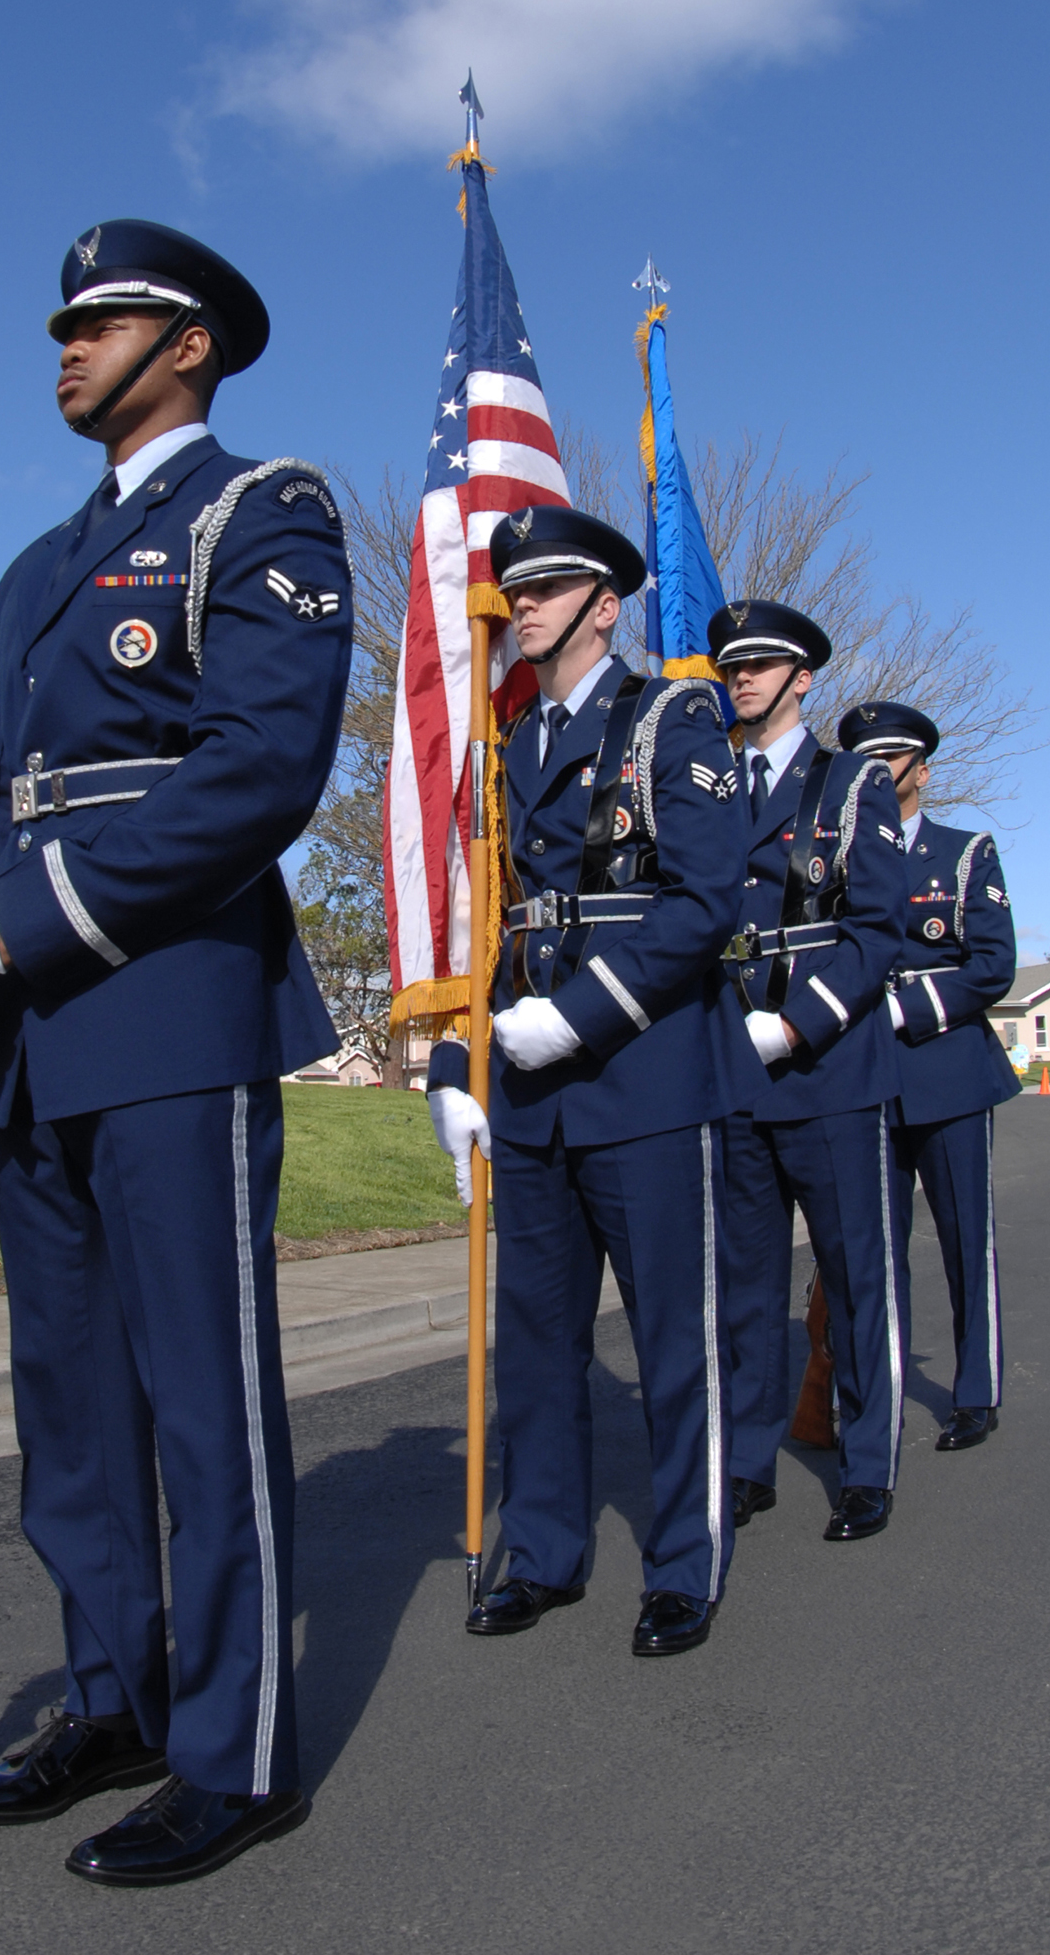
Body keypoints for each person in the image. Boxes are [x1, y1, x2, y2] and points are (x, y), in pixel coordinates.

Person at [0, 220, 352, 1887]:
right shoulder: (38, 566)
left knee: (197, 1395)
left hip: (166, 1002)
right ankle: (118, 1694)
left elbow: (255, 777)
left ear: (193, 346)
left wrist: (26, 923)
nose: (65, 347)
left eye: (101, 323)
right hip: (35, 1025)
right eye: (61, 326)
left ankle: (234, 1755)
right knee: (70, 1401)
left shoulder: (262, 511)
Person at [426, 506, 761, 1657]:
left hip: (646, 1079)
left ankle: (684, 1563)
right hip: (529, 1098)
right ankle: (547, 1551)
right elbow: (494, 920)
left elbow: (706, 905)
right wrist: (454, 1063)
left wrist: (573, 1022)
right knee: (535, 1341)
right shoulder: (510, 743)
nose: (521, 603)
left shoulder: (674, 719)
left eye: (548, 587)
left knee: (674, 1339)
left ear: (604, 605)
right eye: (515, 587)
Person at [706, 599, 910, 1543]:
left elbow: (878, 935)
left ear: (802, 679)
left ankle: (868, 1461)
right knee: (744, 1283)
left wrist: (795, 1027)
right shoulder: (706, 781)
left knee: (854, 1274)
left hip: (825, 1066)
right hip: (729, 1068)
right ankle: (748, 1459)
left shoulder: (850, 784)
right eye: (731, 664)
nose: (740, 676)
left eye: (760, 663)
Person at [838, 701, 1020, 1451]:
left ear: (922, 771)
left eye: (892, 760)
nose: (879, 773)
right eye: (866, 762)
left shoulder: (965, 851)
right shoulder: (838, 857)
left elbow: (993, 965)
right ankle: (872, 1407)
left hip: (946, 1070)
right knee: (872, 1253)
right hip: (866, 1079)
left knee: (963, 1239)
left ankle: (976, 1391)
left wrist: (907, 1008)